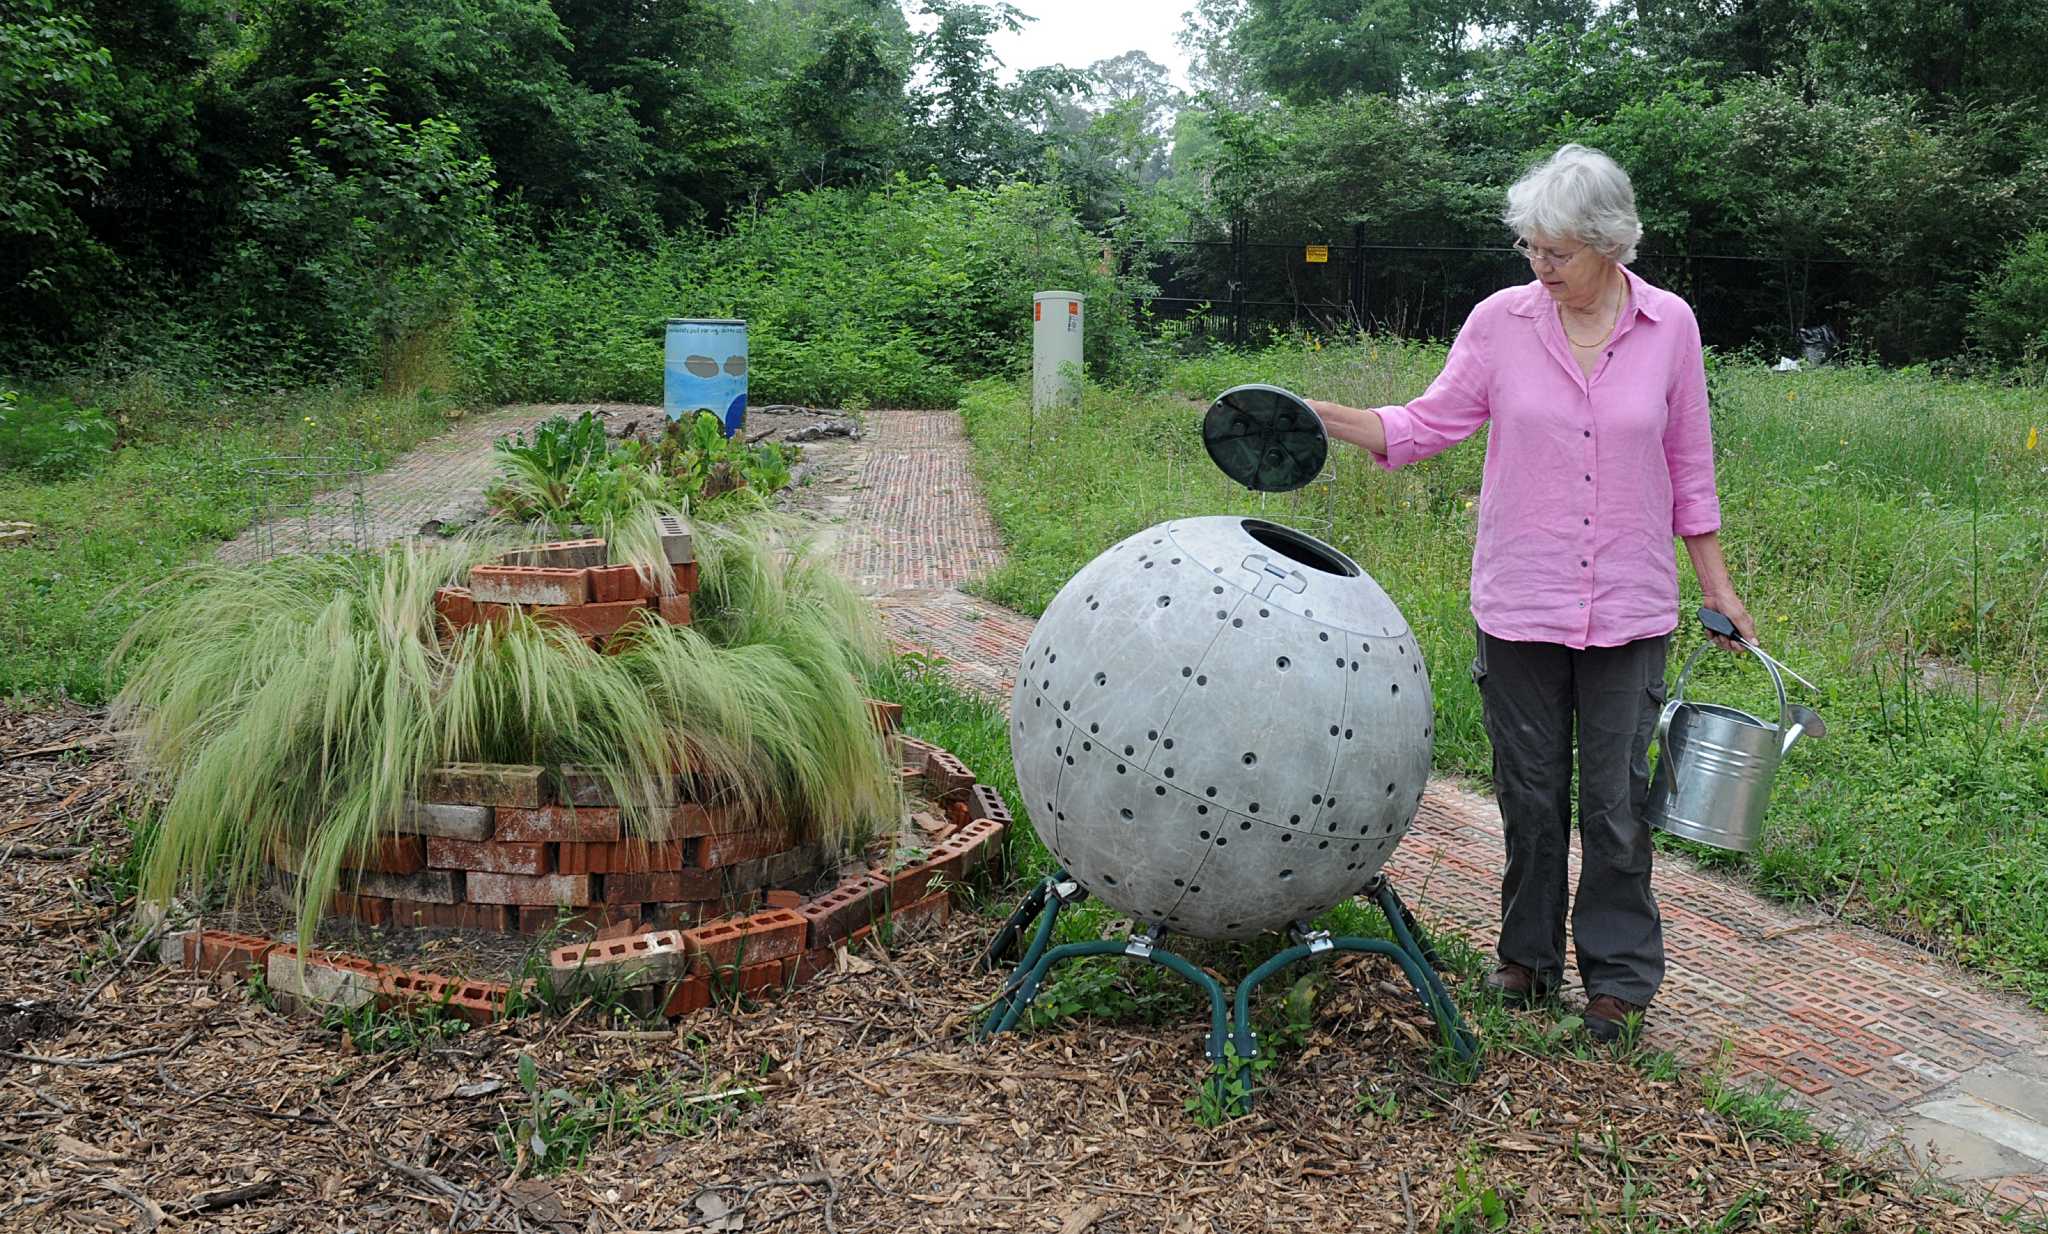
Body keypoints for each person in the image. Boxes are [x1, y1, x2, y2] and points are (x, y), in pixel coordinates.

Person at [1305, 143, 1756, 1043]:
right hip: (1521, 602)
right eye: (1532, 251)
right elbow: (1428, 423)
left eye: (1557, 253)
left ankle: (1620, 981)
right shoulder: (1502, 322)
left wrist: (1719, 586)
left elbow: (1689, 466)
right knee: (1532, 793)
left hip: (1628, 608)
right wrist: (1318, 416)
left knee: (1619, 807)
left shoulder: (1671, 327)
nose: (1540, 268)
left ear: (1610, 245)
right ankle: (1526, 961)